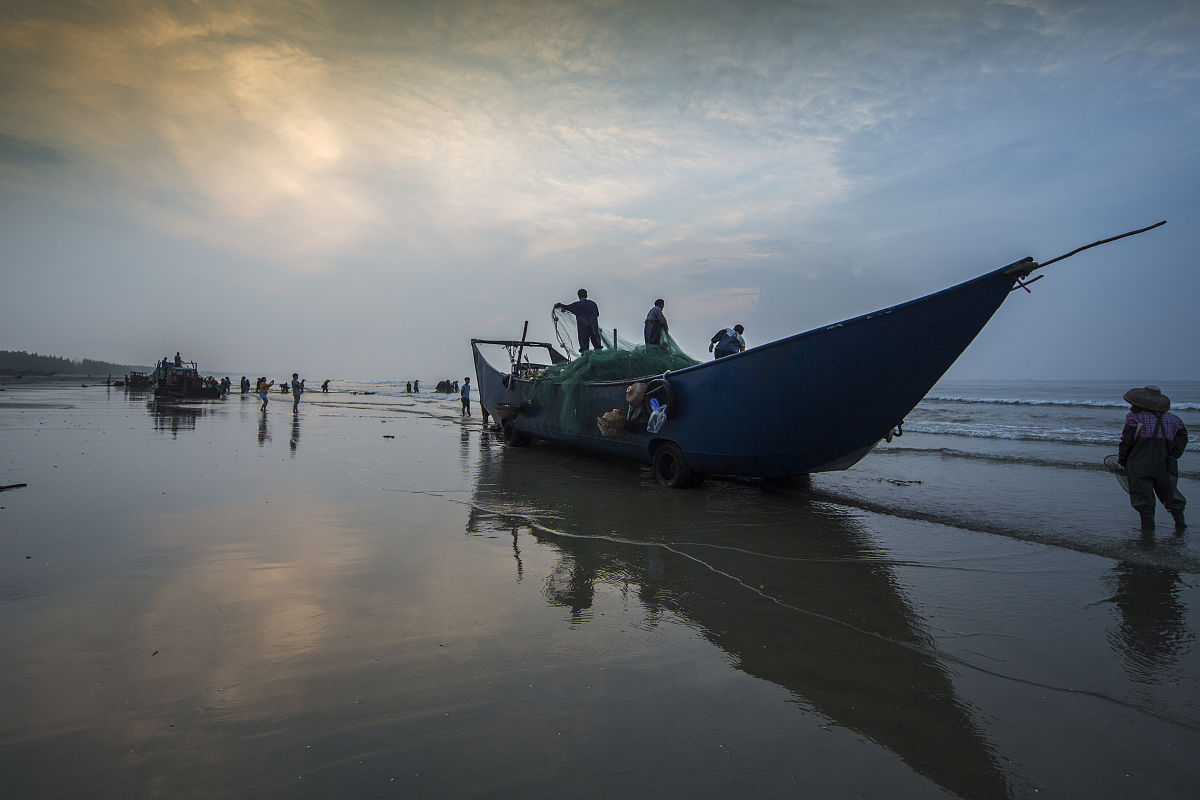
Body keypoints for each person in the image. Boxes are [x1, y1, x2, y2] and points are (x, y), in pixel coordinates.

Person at [1118, 385, 1187, 532]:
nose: (1131, 407)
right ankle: (1181, 526)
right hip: (1166, 464)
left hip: (1139, 463)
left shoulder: (1134, 417)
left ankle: (1148, 530)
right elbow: (1183, 439)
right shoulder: (1175, 419)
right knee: (1171, 494)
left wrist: (1122, 459)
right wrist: (1174, 455)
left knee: (1143, 498)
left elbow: (1126, 440)